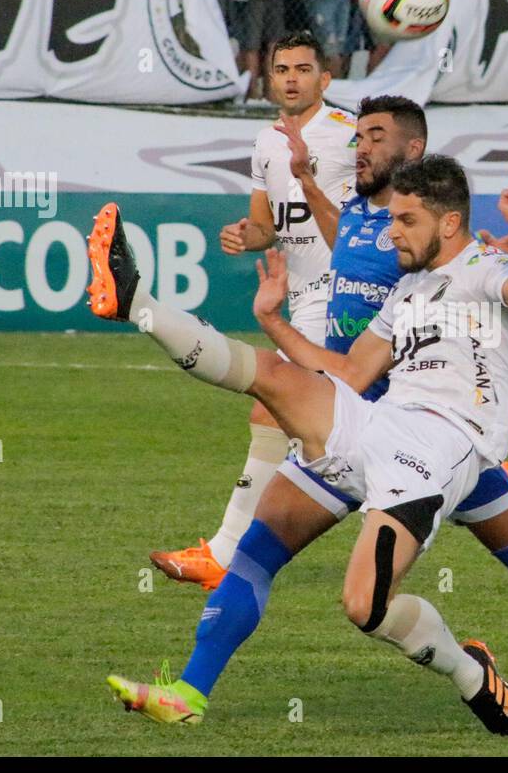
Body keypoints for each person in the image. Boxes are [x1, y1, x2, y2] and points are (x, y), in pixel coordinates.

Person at [90, 152, 508, 735]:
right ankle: (188, 693)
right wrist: (275, 323)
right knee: (267, 467)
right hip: (379, 423)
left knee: (461, 574)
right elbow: (348, 375)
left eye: (405, 220)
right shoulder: (407, 291)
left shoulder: (484, 268)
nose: (392, 231)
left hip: (445, 446)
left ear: (448, 222)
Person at [146, 31, 353, 583]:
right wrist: (249, 235)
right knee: (331, 418)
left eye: (303, 69)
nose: (291, 78)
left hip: (345, 295)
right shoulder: (265, 142)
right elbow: (268, 225)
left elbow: (377, 216)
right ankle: (482, 476)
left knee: (272, 405)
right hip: (305, 295)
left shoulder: (350, 136)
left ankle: (224, 552)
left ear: (324, 79)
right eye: (281, 68)